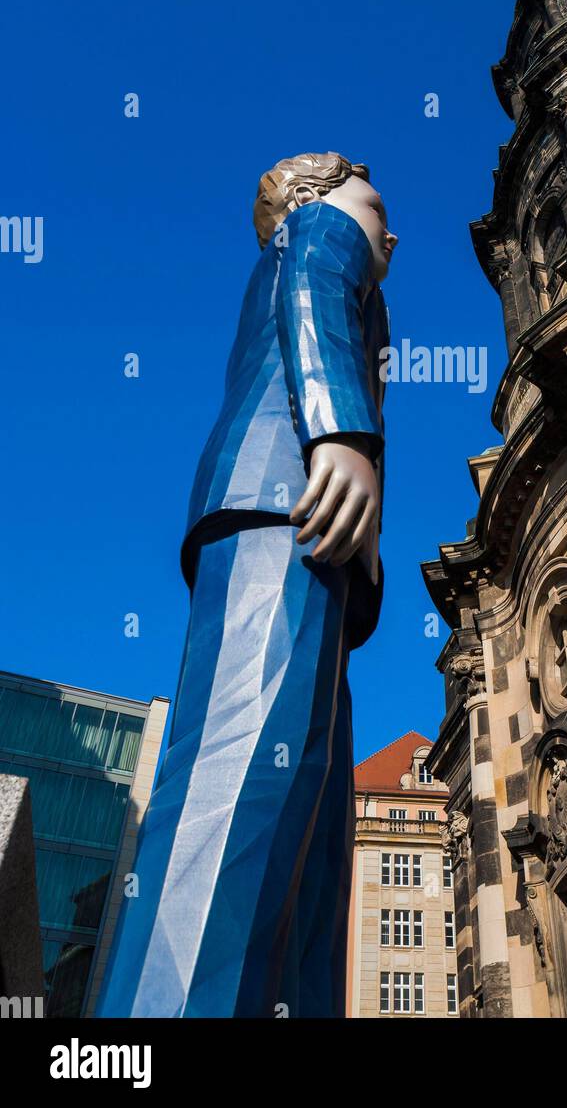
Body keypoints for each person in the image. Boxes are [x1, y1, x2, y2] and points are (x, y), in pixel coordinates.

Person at [96, 152, 397, 1018]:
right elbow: (314, 301)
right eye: (373, 206)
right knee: (240, 789)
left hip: (314, 535)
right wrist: (341, 435)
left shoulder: (362, 285)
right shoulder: (318, 230)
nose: (390, 227)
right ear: (315, 195)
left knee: (307, 830)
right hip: (283, 503)